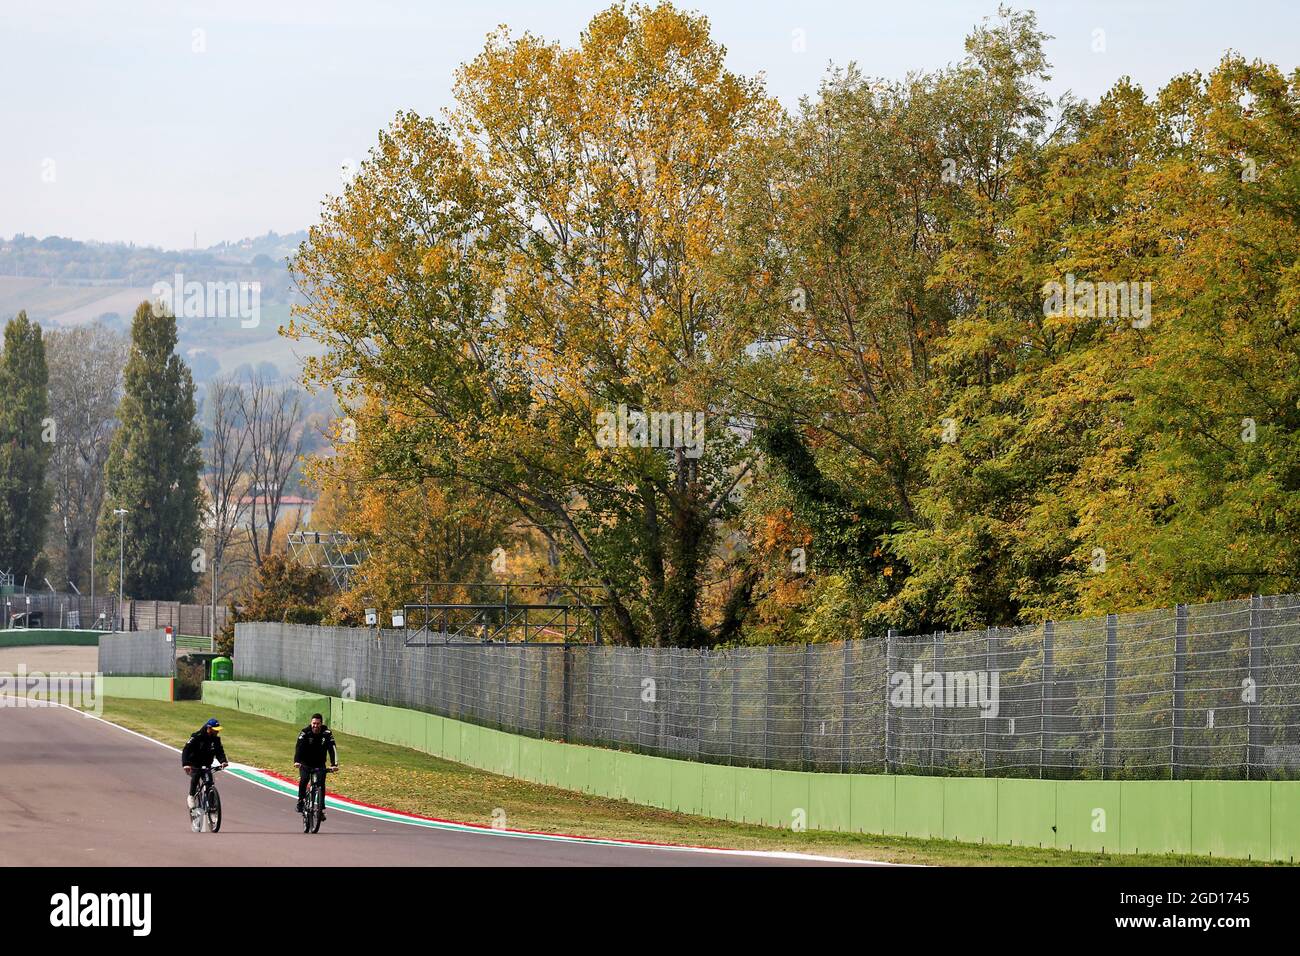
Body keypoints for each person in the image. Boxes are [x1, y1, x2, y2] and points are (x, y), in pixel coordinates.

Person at [294, 712, 339, 818]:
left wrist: (334, 764)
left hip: (319, 763)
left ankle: (320, 809)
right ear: (311, 723)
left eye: (318, 723)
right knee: (304, 779)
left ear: (321, 723)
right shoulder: (305, 732)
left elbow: (332, 748)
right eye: (314, 723)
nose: (316, 726)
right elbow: (299, 746)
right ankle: (300, 801)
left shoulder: (327, 733)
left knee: (321, 784)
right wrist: (297, 761)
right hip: (305, 763)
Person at [181, 718, 228, 810]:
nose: (217, 732)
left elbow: (219, 751)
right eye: (215, 730)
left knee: (209, 782)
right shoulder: (196, 736)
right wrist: (185, 763)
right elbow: (186, 749)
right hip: (194, 763)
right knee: (196, 776)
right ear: (209, 728)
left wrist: (223, 761)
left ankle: (212, 806)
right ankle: (191, 796)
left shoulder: (216, 739)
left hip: (206, 764)